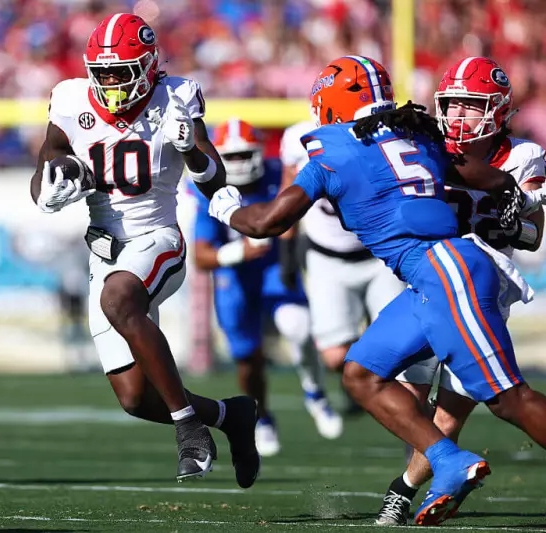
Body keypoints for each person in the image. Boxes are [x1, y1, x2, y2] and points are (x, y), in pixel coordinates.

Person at [207, 54, 546, 525]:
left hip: (448, 271)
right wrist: (510, 191)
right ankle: (448, 461)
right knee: (361, 374)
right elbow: (471, 171)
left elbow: (267, 222)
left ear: (330, 104)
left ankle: (433, 470)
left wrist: (224, 208)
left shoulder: (333, 149)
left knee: (509, 399)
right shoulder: (414, 132)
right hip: (432, 277)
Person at [29, 13, 260, 486]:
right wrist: (49, 183)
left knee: (119, 299)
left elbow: (213, 176)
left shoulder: (176, 97)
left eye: (121, 70)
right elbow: (49, 156)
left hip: (158, 239)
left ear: (150, 64)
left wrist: (192, 150)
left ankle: (190, 432)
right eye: (104, 72)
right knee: (135, 398)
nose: (111, 82)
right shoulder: (72, 98)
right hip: (104, 252)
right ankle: (229, 415)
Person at [376, 56, 545, 526]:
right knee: (402, 399)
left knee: (452, 409)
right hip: (432, 275)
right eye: (451, 105)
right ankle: (422, 477)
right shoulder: (426, 143)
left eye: (471, 106)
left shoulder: (522, 155)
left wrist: (518, 216)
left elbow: (532, 233)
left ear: (497, 111)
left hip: (486, 284)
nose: (457, 117)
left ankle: (403, 490)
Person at [193, 118, 342, 456]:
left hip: (274, 267)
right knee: (248, 360)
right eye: (230, 157)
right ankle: (262, 418)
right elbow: (201, 257)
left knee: (300, 327)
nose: (240, 164)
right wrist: (238, 251)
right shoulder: (207, 190)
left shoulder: (279, 173)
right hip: (235, 279)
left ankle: (315, 393)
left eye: (246, 154)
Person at [282, 119, 406, 416]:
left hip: (378, 253)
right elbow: (288, 192)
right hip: (326, 255)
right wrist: (286, 255)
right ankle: (359, 380)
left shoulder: (374, 133)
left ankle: (411, 432)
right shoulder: (299, 137)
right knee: (336, 356)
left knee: (401, 350)